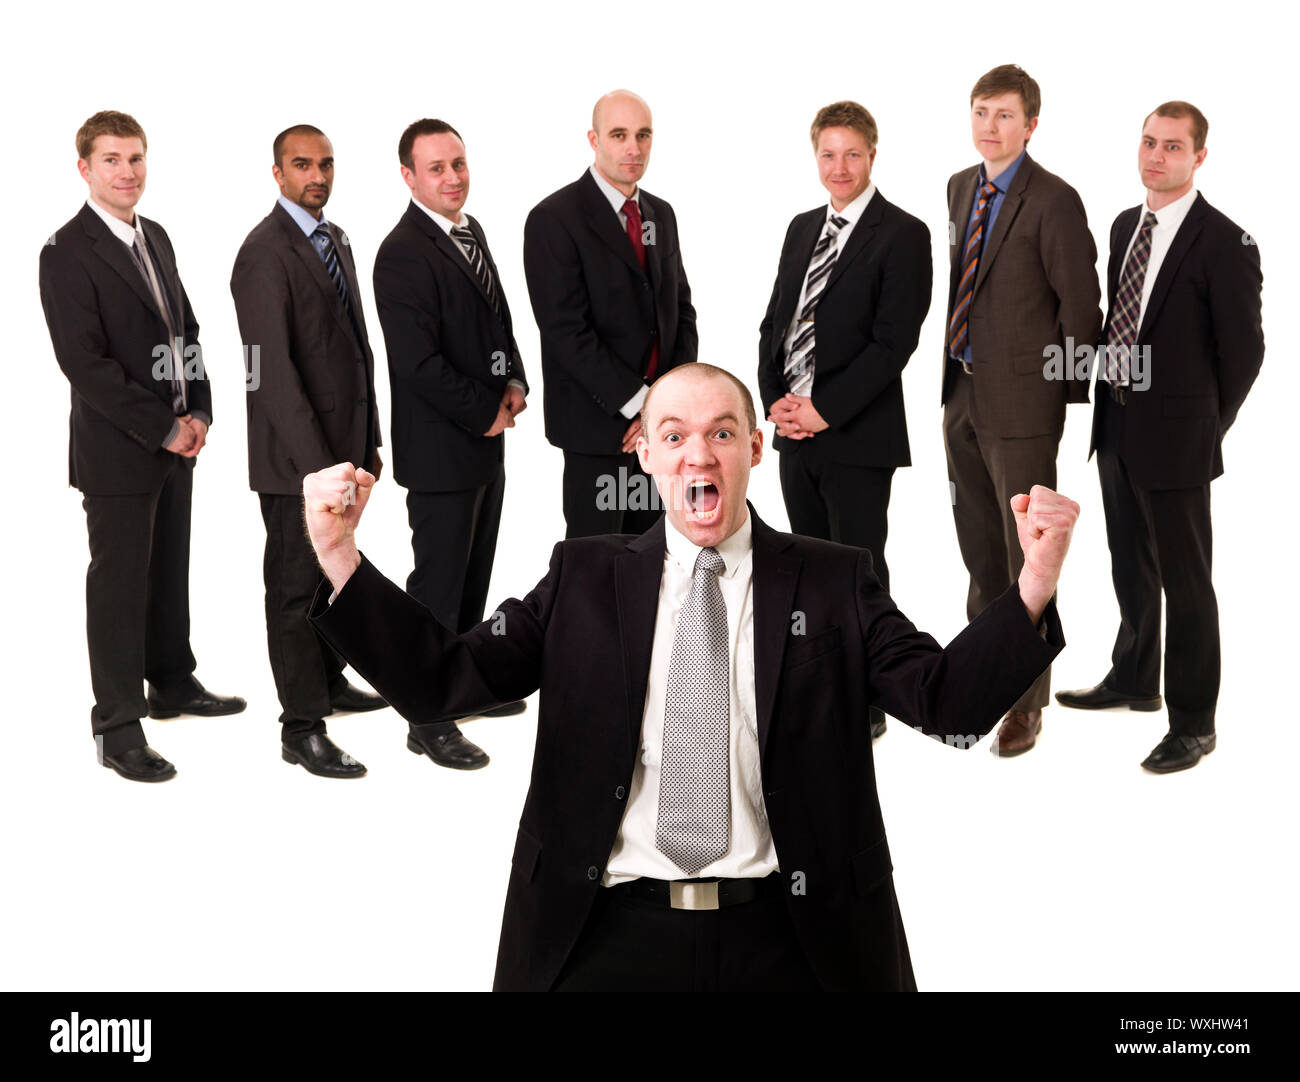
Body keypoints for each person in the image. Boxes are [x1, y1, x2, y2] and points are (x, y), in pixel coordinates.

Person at [302, 362, 1080, 991]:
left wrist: (1035, 582)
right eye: (674, 436)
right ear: (643, 454)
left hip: (792, 938)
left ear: (755, 449)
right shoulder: (581, 577)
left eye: (722, 433)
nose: (699, 455)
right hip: (602, 935)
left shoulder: (832, 580)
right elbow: (447, 681)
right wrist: (340, 556)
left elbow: (948, 705)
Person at [1055, 102, 1264, 774]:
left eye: (1173, 147)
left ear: (1199, 157)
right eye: (1149, 142)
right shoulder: (1126, 225)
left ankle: (1195, 722)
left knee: (1187, 581)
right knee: (1130, 565)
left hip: (1178, 437)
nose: (1156, 156)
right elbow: (1124, 318)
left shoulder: (1225, 242)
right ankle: (1134, 679)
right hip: (1116, 423)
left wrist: (1206, 425)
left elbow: (1244, 355)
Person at [39, 110, 244, 783]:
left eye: (135, 158)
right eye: (112, 160)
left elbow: (184, 326)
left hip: (178, 441)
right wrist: (163, 424)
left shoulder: (154, 235)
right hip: (121, 448)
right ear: (84, 169)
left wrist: (203, 409)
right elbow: (85, 363)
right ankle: (117, 724)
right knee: (120, 583)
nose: (127, 172)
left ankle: (172, 681)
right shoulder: (66, 251)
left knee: (168, 569)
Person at [941, 64, 1102, 757]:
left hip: (1024, 406)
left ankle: (1028, 705)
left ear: (1030, 125)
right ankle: (986, 679)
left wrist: (1056, 400)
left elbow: (1081, 307)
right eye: (981, 112)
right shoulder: (959, 188)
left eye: (1005, 115)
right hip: (963, 393)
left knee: (1024, 559)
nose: (990, 127)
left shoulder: (1054, 200)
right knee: (979, 552)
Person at [758, 100, 932, 741]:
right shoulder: (802, 227)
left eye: (851, 154)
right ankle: (819, 681)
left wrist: (824, 410)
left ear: (872, 156)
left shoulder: (902, 234)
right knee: (806, 569)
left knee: (859, 569)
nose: (839, 167)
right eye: (828, 154)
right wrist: (776, 401)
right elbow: (776, 321)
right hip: (792, 433)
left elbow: (894, 343)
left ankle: (869, 695)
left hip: (856, 436)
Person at [371, 118, 530, 771]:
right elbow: (416, 362)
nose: (452, 177)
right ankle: (426, 715)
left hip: (485, 441)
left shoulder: (471, 230)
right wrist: (482, 411)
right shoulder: (401, 252)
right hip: (442, 446)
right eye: (436, 168)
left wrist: (514, 378)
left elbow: (496, 315)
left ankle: (461, 680)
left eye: (458, 163)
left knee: (472, 575)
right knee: (436, 584)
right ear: (408, 177)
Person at [230, 124, 386, 780]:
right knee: (295, 589)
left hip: (344, 451)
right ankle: (301, 727)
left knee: (331, 577)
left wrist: (369, 441)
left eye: (324, 164)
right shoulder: (264, 253)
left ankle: (327, 679)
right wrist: (319, 466)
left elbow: (355, 348)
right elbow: (268, 372)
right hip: (298, 463)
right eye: (301, 164)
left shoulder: (335, 239)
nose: (316, 175)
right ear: (277, 173)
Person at [523, 89, 697, 538]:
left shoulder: (661, 214)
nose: (633, 148)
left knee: (656, 564)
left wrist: (665, 406)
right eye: (619, 135)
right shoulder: (554, 218)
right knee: (593, 571)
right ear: (593, 139)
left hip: (661, 434)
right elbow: (565, 330)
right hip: (596, 431)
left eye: (643, 135)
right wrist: (641, 404)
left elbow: (681, 311)